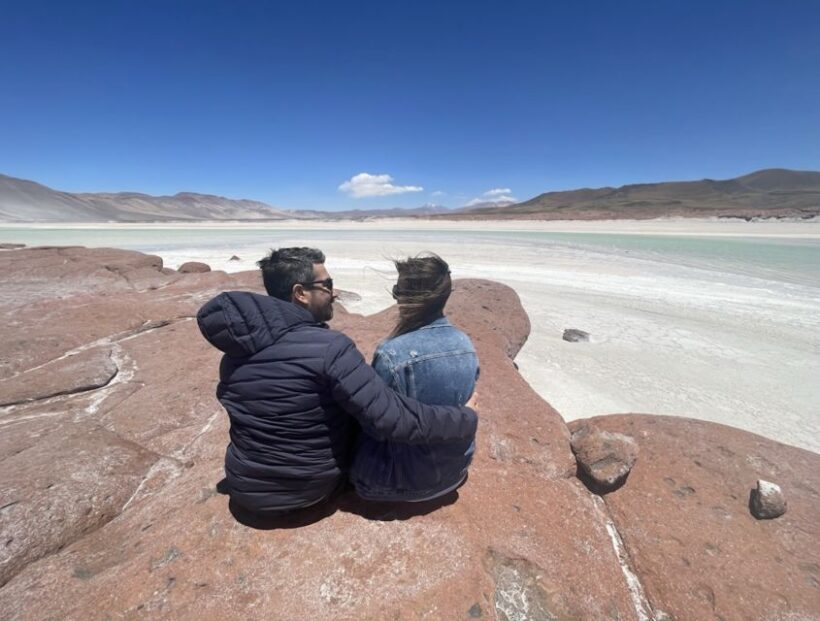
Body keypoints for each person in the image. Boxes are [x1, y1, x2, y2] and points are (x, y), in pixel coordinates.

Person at [196, 247, 477, 517]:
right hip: (308, 491)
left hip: (244, 488)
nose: (334, 292)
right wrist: (465, 418)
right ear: (300, 293)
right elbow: (393, 419)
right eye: (327, 284)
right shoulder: (330, 348)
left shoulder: (234, 353)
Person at [350, 254, 479, 502]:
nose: (397, 298)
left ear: (409, 299)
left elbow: (374, 423)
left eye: (398, 291)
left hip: (402, 484)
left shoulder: (392, 354)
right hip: (456, 474)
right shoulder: (466, 344)